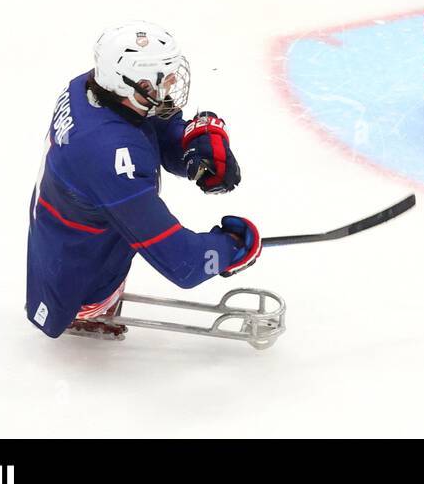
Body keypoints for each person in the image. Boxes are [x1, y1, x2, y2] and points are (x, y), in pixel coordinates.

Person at [25, 21, 257, 338]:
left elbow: (150, 125)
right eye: (164, 77)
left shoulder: (88, 88)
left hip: (64, 239)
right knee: (95, 289)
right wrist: (234, 247)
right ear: (134, 85)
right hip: (80, 283)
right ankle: (91, 309)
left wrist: (191, 143)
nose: (173, 81)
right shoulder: (108, 156)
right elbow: (184, 263)